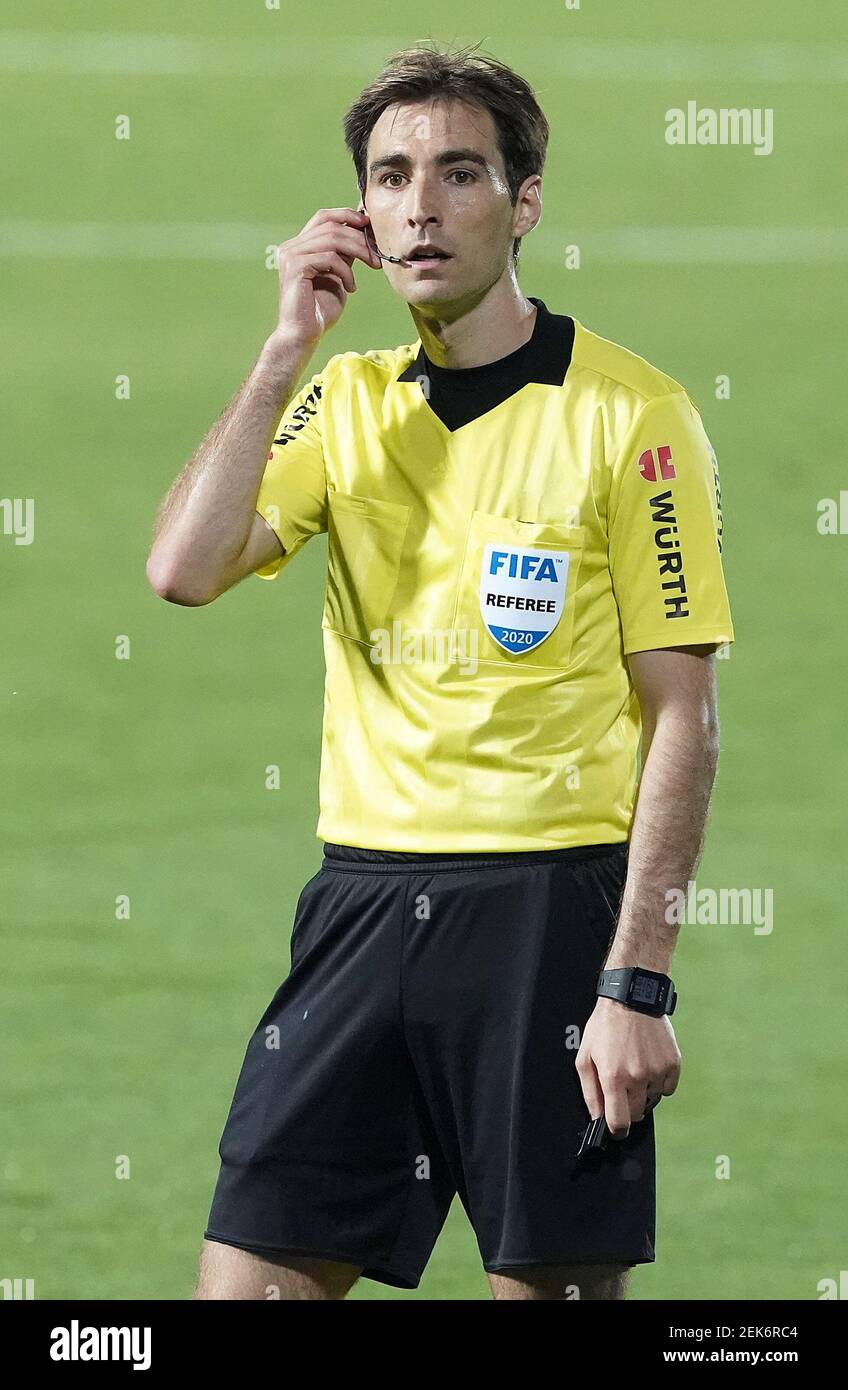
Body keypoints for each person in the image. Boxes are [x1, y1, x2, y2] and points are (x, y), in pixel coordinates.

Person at [147, 42, 734, 1301]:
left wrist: (636, 979)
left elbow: (681, 714)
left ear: (523, 204)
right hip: (359, 908)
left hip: (550, 919)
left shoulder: (631, 415)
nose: (419, 205)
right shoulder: (340, 400)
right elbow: (181, 570)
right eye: (390, 176)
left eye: (458, 173)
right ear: (359, 212)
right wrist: (279, 353)